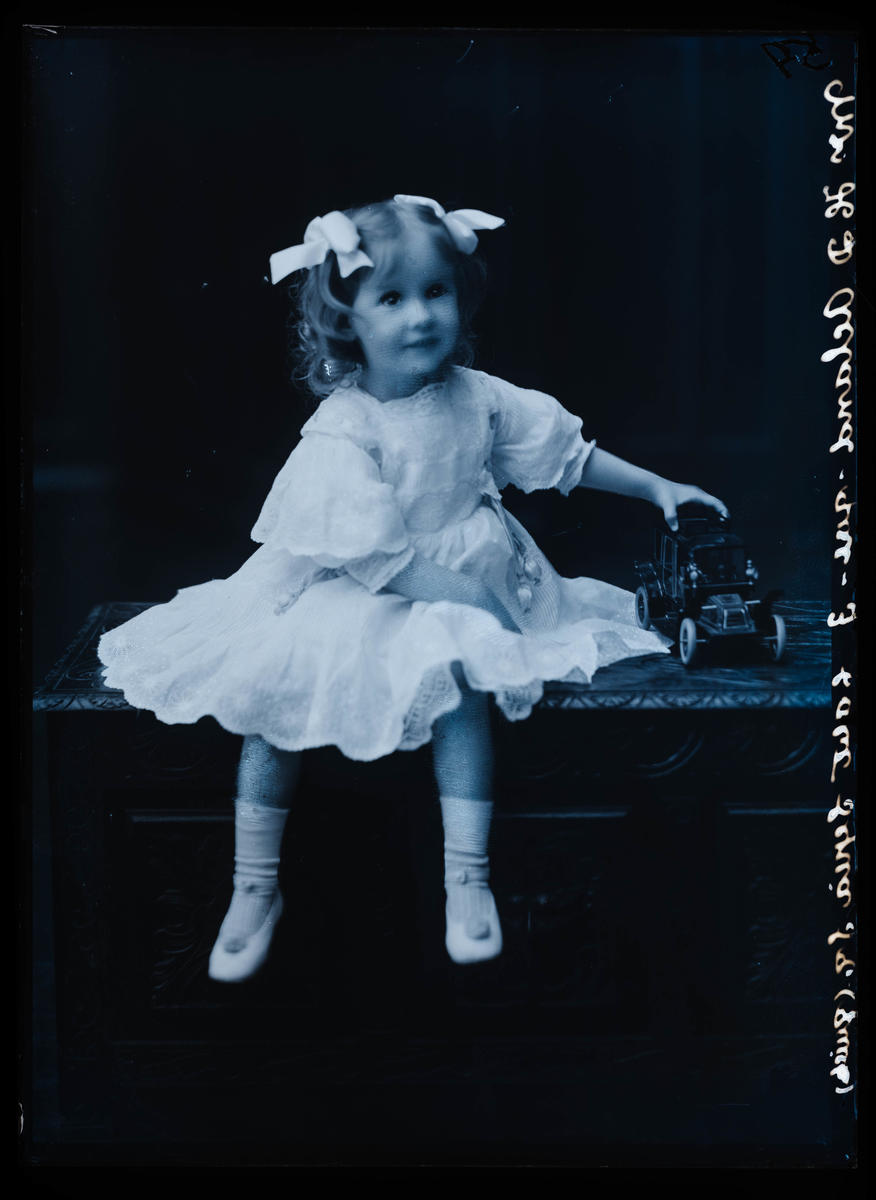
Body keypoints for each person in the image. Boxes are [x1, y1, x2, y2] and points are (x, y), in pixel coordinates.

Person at [98, 194, 728, 981]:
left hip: (468, 574)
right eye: (391, 299)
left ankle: (468, 876)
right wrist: (471, 603)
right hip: (356, 586)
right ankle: (253, 884)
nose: (420, 316)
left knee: (459, 685)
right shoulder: (346, 428)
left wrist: (657, 487)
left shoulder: (479, 397)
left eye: (437, 291)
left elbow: (567, 456)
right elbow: (378, 563)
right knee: (273, 698)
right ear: (347, 321)